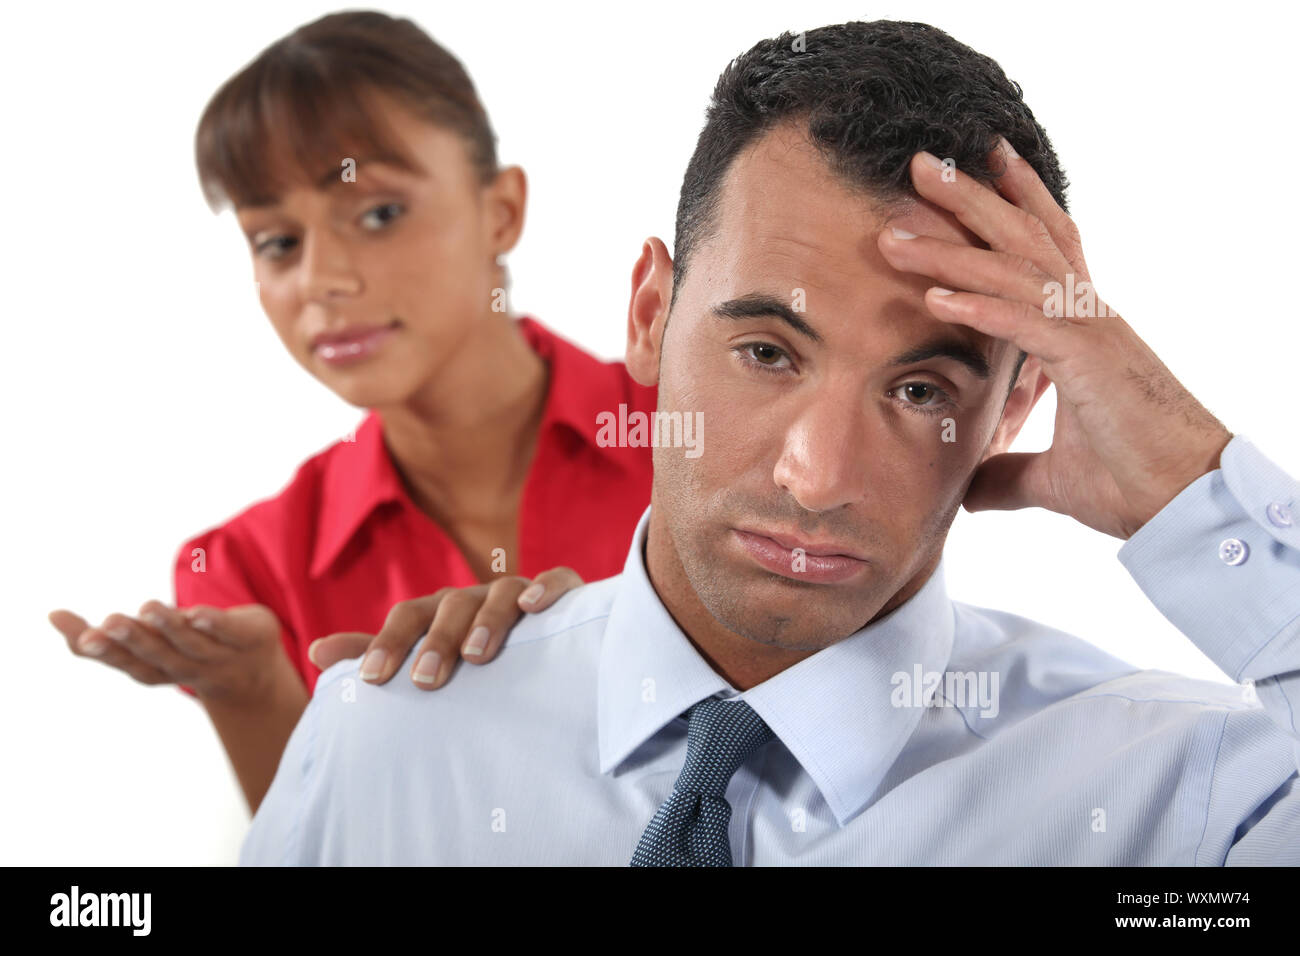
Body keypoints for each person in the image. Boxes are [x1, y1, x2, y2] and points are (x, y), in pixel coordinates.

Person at [239, 20, 1300, 866]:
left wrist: (1190, 485)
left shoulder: (1182, 798)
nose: (817, 474)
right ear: (649, 314)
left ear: (1015, 406)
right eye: (766, 351)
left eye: (920, 384)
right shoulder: (386, 741)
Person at [45, 10, 654, 814]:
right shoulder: (250, 574)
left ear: (501, 211)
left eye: (377, 214)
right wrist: (252, 692)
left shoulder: (698, 430)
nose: (321, 279)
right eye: (277, 242)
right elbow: (321, 848)